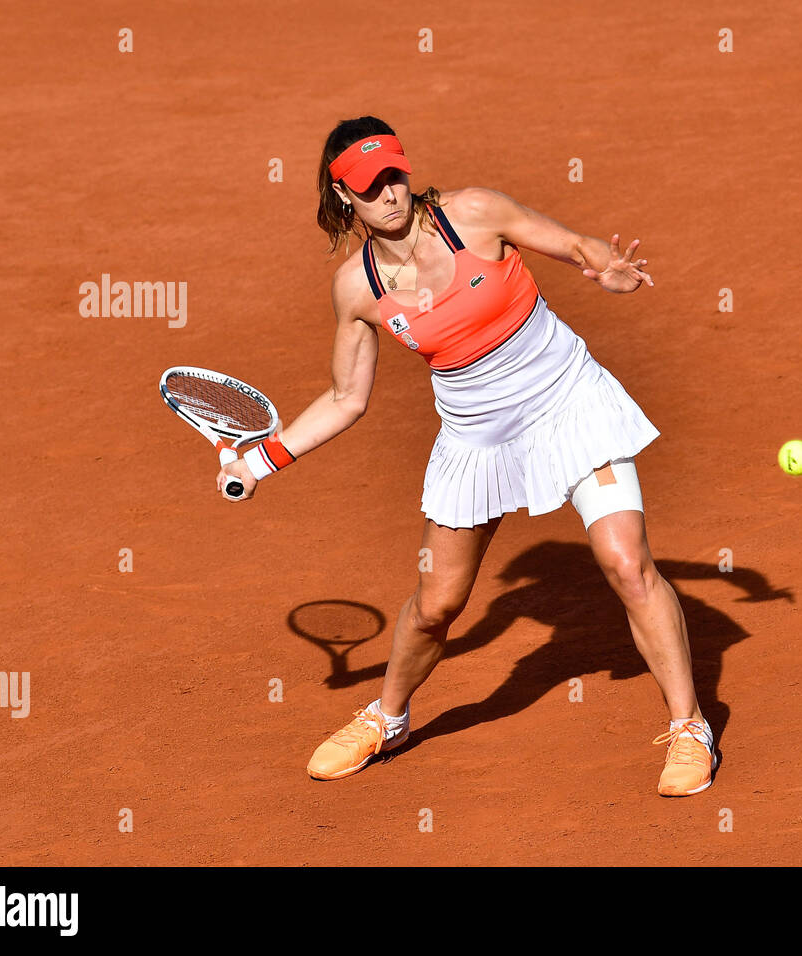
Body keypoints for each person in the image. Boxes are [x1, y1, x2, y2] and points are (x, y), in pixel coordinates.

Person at [220, 116, 718, 796]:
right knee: (436, 605)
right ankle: (386, 717)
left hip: (569, 404)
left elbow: (575, 245)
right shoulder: (357, 291)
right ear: (344, 199)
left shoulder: (477, 213)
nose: (390, 194)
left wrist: (608, 268)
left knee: (627, 564)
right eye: (370, 187)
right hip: (475, 440)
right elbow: (345, 399)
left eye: (394, 175)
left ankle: (690, 726)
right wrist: (259, 461)